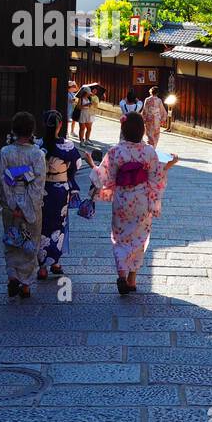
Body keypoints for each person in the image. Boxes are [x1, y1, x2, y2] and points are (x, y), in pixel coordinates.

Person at [90, 112, 178, 294]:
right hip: (142, 201)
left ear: (123, 129)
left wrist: (91, 164)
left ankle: (121, 274)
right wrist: (169, 165)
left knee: (120, 238)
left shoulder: (115, 151)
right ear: (142, 130)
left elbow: (103, 177)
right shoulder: (149, 152)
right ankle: (132, 279)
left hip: (122, 200)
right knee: (139, 238)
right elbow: (156, 178)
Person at [36, 109, 97, 279]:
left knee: (41, 226)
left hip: (41, 190)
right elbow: (77, 164)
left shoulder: (38, 145)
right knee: (58, 226)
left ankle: (41, 267)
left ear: (43, 124)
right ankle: (55, 262)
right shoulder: (67, 146)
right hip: (59, 189)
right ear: (60, 125)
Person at [0, 111, 46, 298]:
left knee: (11, 240)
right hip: (31, 204)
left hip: (11, 203)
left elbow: (1, 181)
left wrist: (12, 205)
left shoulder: (5, 153)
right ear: (32, 130)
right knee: (30, 241)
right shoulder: (37, 154)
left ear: (14, 131)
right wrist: (26, 207)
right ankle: (25, 285)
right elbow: (38, 183)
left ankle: (12, 277)